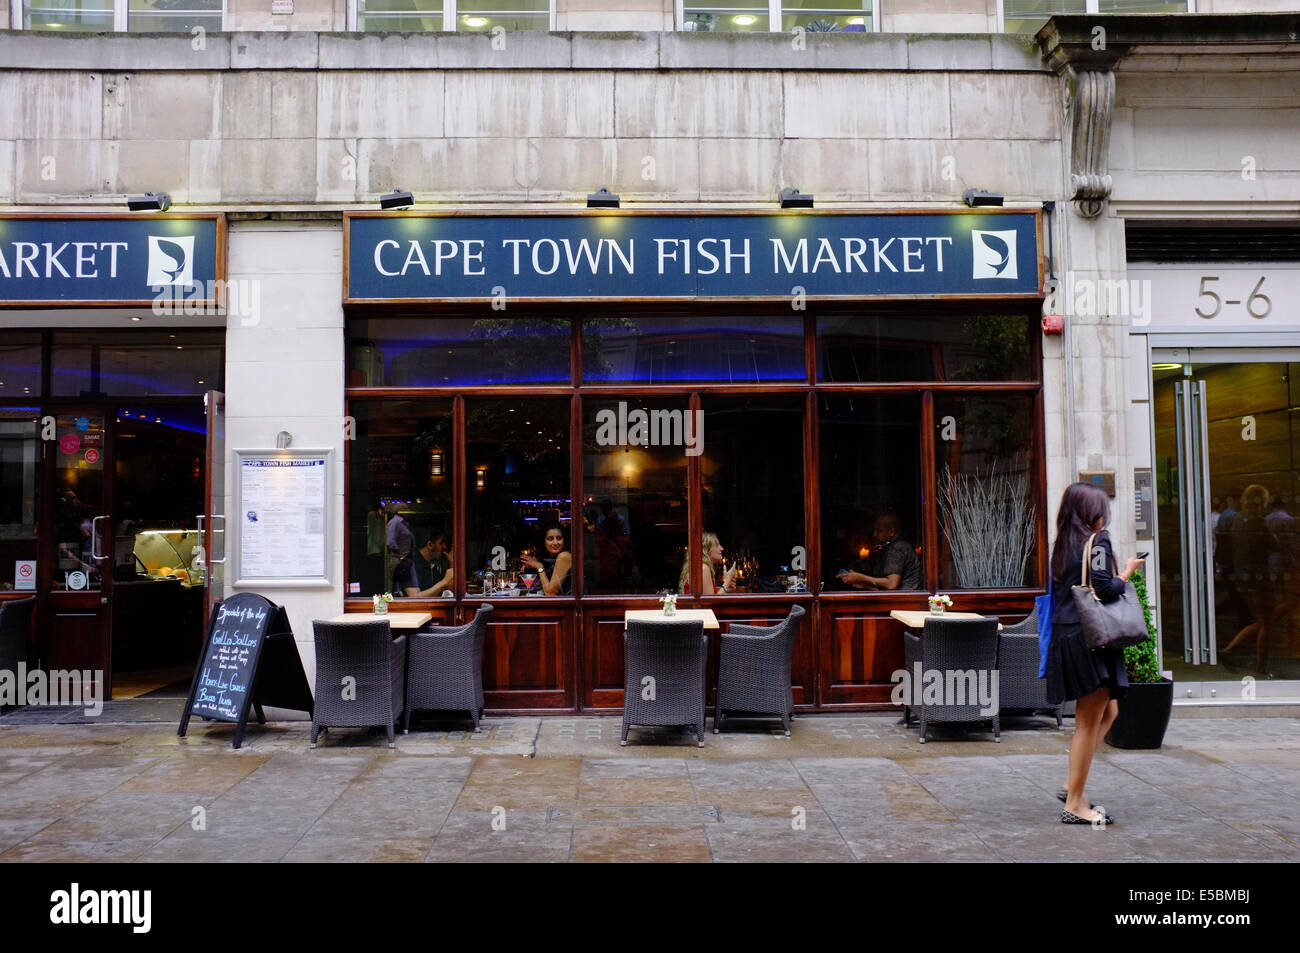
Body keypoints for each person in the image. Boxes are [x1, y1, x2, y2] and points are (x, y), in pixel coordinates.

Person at [1046, 482, 1144, 826]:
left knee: (1108, 712)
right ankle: (1075, 802)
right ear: (1092, 513)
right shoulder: (1097, 542)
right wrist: (1127, 572)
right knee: (1088, 723)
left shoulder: (1063, 546)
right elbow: (1103, 586)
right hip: (1090, 638)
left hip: (1069, 634)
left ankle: (1072, 783)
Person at [1222, 484, 1275, 673]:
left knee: (1260, 620)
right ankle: (1260, 665)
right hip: (1258, 576)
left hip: (1241, 575)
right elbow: (1271, 544)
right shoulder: (1258, 520)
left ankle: (1230, 650)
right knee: (1266, 622)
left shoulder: (1237, 519)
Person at [837, 514, 922, 590]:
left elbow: (891, 584)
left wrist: (859, 577)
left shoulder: (897, 548)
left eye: (879, 531)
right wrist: (866, 586)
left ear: (891, 532)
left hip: (907, 599)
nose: (875, 534)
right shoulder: (900, 545)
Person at [395, 533, 454, 598]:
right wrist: (444, 581)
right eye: (441, 543)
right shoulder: (410, 563)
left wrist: (452, 563)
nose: (445, 547)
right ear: (430, 545)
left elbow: (445, 591)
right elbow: (413, 597)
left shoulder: (432, 565)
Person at [521, 524, 572, 596]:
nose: (555, 542)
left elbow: (550, 594)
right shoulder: (550, 558)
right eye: (550, 539)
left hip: (570, 603)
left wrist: (539, 567)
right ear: (544, 542)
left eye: (559, 538)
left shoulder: (565, 556)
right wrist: (531, 566)